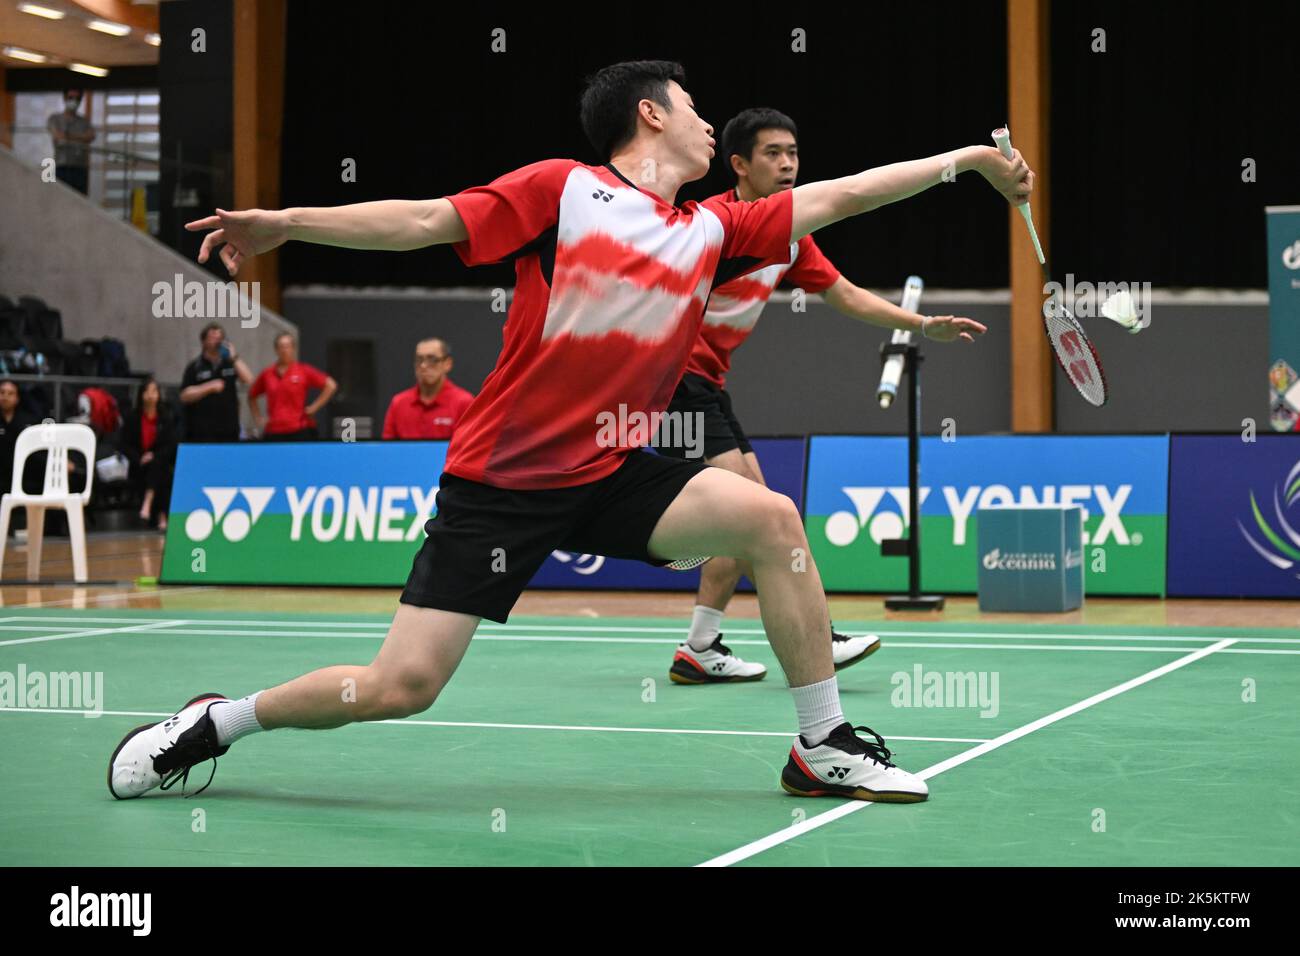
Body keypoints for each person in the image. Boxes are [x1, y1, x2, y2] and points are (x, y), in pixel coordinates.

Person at [110, 60, 1033, 805]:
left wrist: (966, 162)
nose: (712, 126)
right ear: (651, 114)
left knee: (771, 520)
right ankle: (219, 723)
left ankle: (822, 744)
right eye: (696, 107)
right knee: (401, 688)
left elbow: (843, 197)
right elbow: (426, 221)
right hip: (502, 483)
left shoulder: (711, 229)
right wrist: (284, 226)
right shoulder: (564, 192)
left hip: (615, 466)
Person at [659, 108, 989, 685]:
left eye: (793, 152)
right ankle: (810, 637)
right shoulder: (709, 225)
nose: (787, 163)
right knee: (755, 515)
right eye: (771, 153)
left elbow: (844, 294)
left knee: (746, 520)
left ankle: (701, 646)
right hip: (672, 385)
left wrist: (920, 324)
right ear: (738, 164)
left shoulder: (789, 237)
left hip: (708, 385)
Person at [381, 337, 475, 440]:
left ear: (447, 364)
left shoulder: (464, 402)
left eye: (432, 359)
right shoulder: (398, 403)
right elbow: (387, 449)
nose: (424, 365)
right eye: (419, 359)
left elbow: (469, 448)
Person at [248, 333, 337, 441]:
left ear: (293, 349)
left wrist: (314, 408)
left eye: (287, 346)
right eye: (281, 347)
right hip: (274, 430)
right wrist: (258, 418)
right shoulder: (267, 374)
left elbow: (330, 385)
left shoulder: (303, 370)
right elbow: (252, 394)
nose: (284, 350)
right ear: (276, 350)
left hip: (299, 428)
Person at [179, 323, 253, 442]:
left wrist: (234, 358)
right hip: (202, 431)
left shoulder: (230, 363)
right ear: (203, 342)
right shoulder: (195, 366)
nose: (217, 341)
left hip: (229, 430)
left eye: (220, 338)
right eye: (213, 338)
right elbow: (184, 396)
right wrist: (209, 387)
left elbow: (249, 380)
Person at [121, 378, 178, 530]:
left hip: (159, 462)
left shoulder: (165, 418)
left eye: (154, 391)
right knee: (160, 472)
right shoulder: (133, 418)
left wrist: (154, 456)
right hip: (139, 465)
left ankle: (148, 501)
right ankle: (161, 515)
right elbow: (124, 444)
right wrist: (139, 458)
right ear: (141, 395)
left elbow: (170, 445)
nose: (151, 395)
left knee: (159, 467)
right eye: (147, 391)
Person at [46, 89, 96, 195]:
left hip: (80, 167)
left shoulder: (84, 121)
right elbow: (58, 136)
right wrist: (80, 137)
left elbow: (90, 136)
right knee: (61, 198)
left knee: (80, 200)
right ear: (64, 98)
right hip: (62, 166)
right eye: (70, 98)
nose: (73, 101)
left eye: (77, 98)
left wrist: (68, 136)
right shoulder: (55, 118)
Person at [0, 379, 36, 497]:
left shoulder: (27, 421)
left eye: (10, 393)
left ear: (17, 399)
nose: (5, 397)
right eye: (2, 392)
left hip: (24, 473)